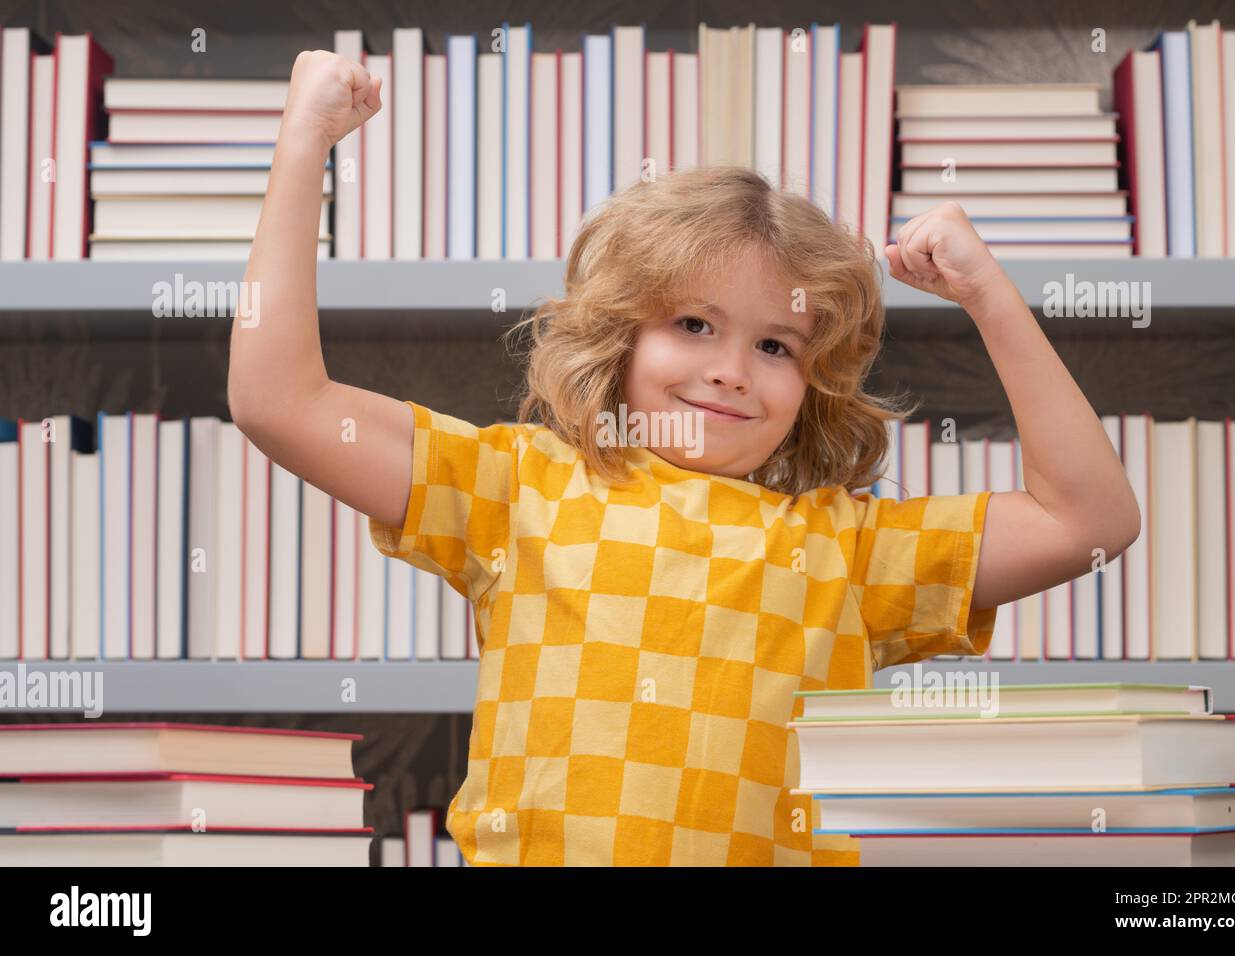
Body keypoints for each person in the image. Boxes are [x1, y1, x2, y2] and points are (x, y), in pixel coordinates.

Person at [228, 51, 1141, 866]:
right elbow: (281, 401)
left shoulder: (850, 552)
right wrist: (306, 139)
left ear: (814, 380)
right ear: (618, 337)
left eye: (777, 346)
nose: (730, 372)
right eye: (693, 324)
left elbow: (1089, 521)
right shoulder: (516, 487)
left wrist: (988, 296)